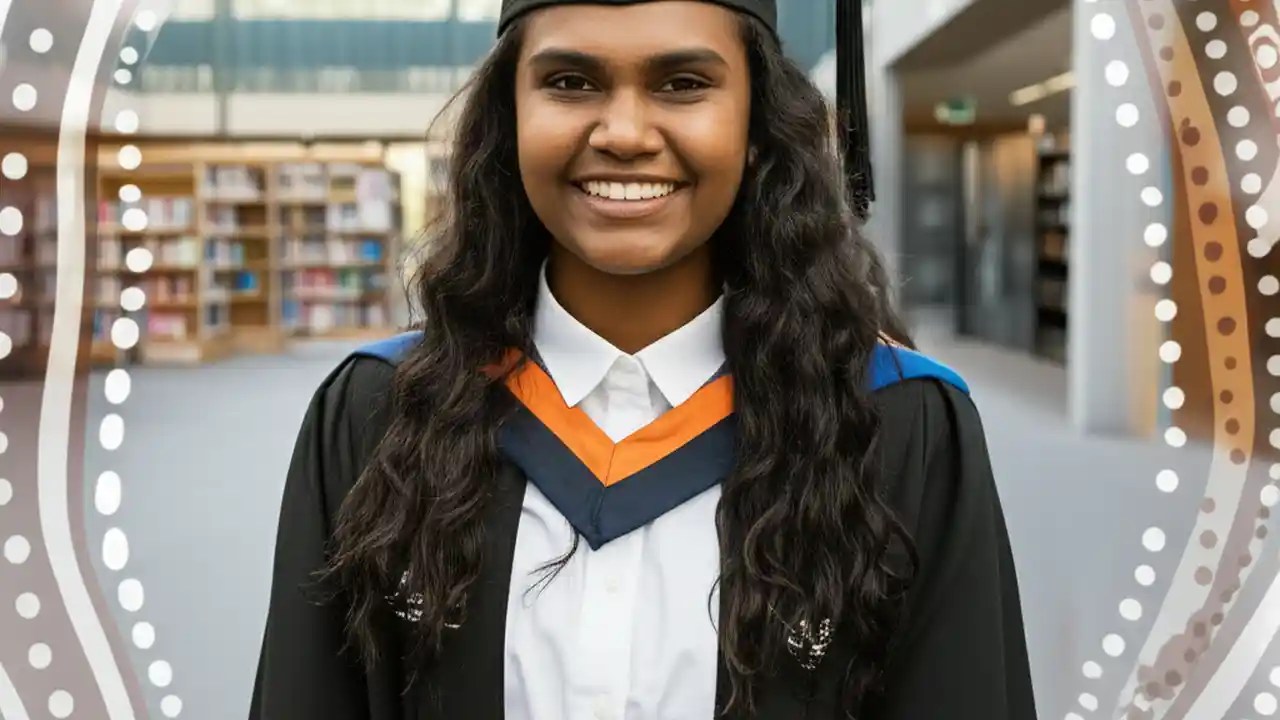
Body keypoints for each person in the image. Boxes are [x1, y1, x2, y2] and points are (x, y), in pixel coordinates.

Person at [249, 1, 1038, 718]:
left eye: (684, 82)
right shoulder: (380, 417)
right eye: (569, 81)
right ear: (510, 118)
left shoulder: (898, 427)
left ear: (759, 127)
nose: (623, 133)